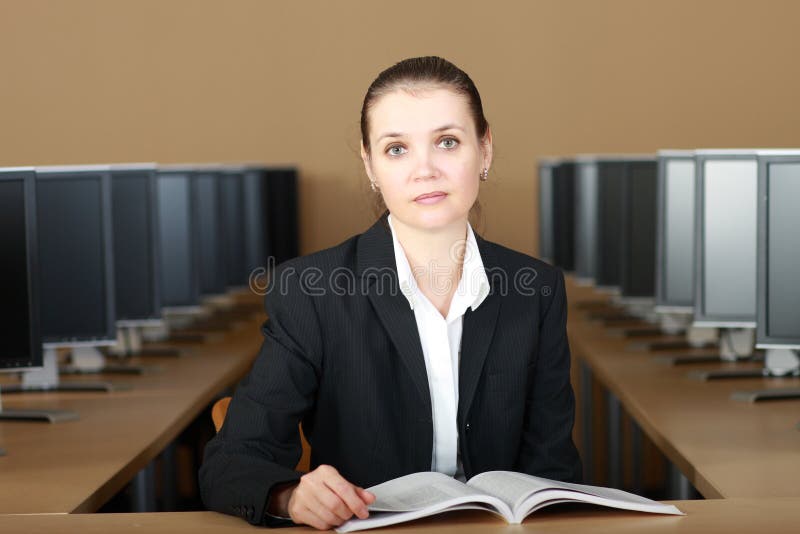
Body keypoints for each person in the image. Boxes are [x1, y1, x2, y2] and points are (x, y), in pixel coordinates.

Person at [199, 56, 582, 530]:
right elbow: (232, 461)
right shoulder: (311, 293)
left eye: (447, 142)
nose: (425, 170)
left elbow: (553, 469)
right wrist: (289, 495)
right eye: (397, 149)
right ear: (370, 165)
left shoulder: (536, 291)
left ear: (484, 150)